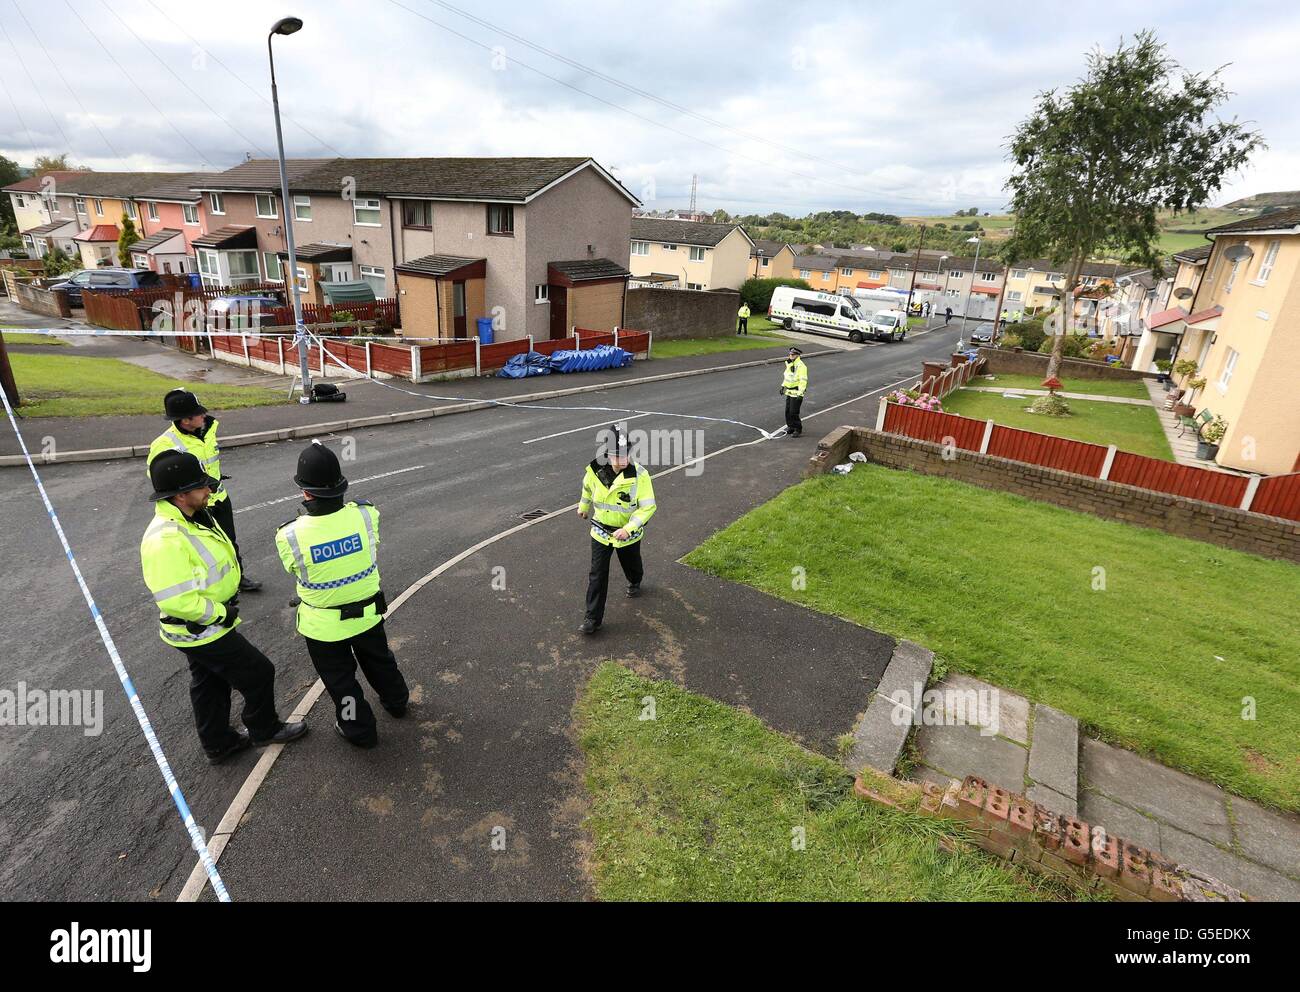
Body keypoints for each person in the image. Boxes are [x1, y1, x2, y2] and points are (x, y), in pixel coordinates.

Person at [140, 450, 307, 764]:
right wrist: (222, 613)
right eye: (202, 487)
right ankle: (264, 729)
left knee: (209, 683)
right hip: (202, 627)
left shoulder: (195, 515)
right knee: (258, 672)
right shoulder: (165, 540)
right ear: (179, 495)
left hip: (202, 625)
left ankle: (218, 744)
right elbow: (177, 600)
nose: (209, 490)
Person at [275, 441, 410, 748]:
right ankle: (397, 702)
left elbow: (295, 570)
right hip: (368, 615)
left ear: (305, 492)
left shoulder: (289, 535)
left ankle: (360, 732)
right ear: (341, 485)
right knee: (380, 662)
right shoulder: (365, 514)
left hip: (324, 628)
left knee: (341, 681)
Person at [147, 389, 260, 592]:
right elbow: (158, 476)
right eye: (199, 413)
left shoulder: (209, 429)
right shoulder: (164, 444)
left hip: (219, 497)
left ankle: (237, 577)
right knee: (203, 549)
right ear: (185, 420)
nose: (204, 415)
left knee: (228, 541)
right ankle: (206, 587)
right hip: (196, 505)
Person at [577, 426, 657, 635]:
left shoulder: (640, 475)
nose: (622, 460)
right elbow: (587, 489)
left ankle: (635, 579)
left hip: (626, 535)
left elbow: (648, 506)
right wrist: (583, 507)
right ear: (608, 455)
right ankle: (592, 618)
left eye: (625, 455)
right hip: (601, 532)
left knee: (631, 564)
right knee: (597, 574)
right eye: (617, 456)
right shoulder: (594, 471)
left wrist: (629, 529)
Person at [780, 346, 808, 437]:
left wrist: (800, 393)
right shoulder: (789, 364)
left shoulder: (801, 366)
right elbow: (787, 377)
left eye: (793, 354)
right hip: (789, 391)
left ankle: (798, 429)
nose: (790, 356)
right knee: (787, 411)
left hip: (797, 392)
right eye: (790, 354)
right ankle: (790, 427)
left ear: (797, 355)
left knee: (793, 412)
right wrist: (783, 386)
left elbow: (803, 380)